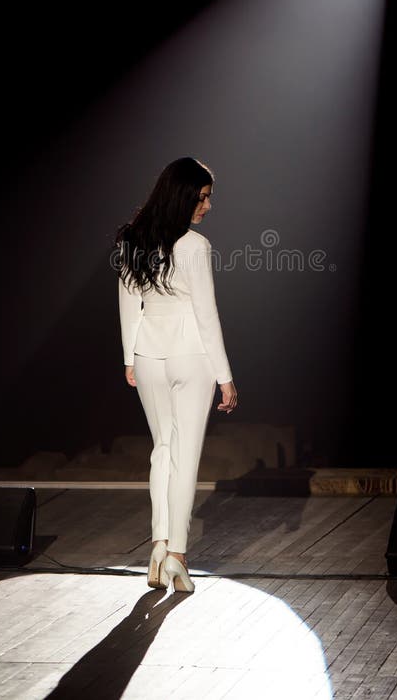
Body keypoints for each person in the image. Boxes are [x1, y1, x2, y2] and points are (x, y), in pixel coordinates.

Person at [116, 157, 238, 593]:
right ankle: (177, 556)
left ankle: (158, 545)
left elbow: (130, 303)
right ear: (184, 195)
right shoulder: (194, 246)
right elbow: (207, 316)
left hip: (148, 355)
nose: (207, 206)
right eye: (203, 197)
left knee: (162, 450)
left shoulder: (133, 239)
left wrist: (130, 358)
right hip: (191, 356)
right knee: (183, 455)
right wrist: (225, 374)